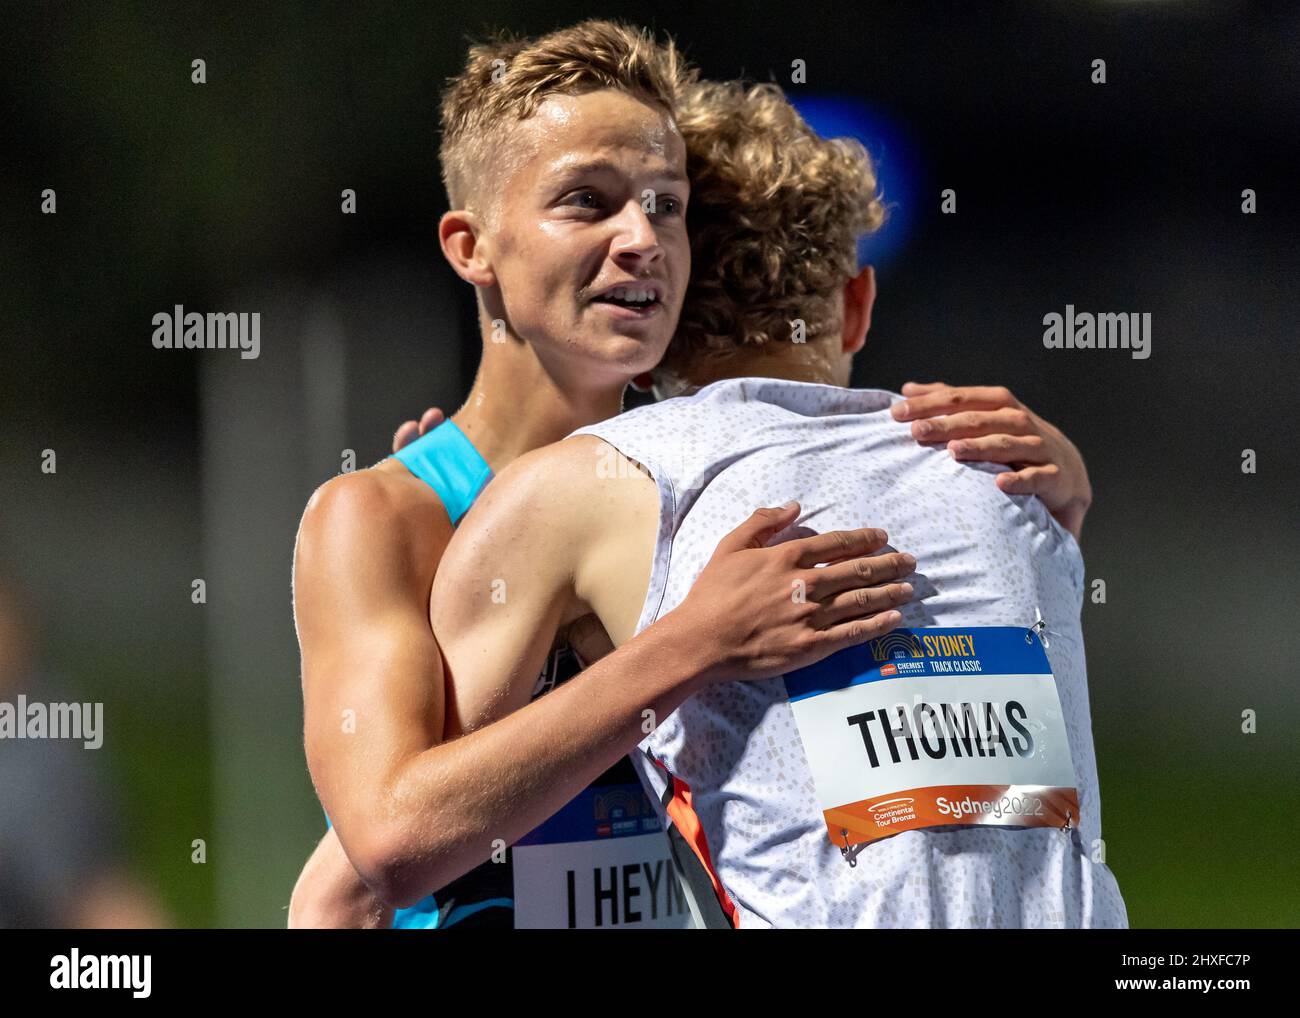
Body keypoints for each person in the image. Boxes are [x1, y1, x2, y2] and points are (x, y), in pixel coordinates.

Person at [289, 21, 1100, 929]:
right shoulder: (385, 514)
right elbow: (358, 877)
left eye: (667, 206)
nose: (642, 238)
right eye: (589, 202)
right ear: (472, 246)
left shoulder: (701, 503)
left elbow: (948, 784)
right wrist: (690, 644)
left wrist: (1058, 497)